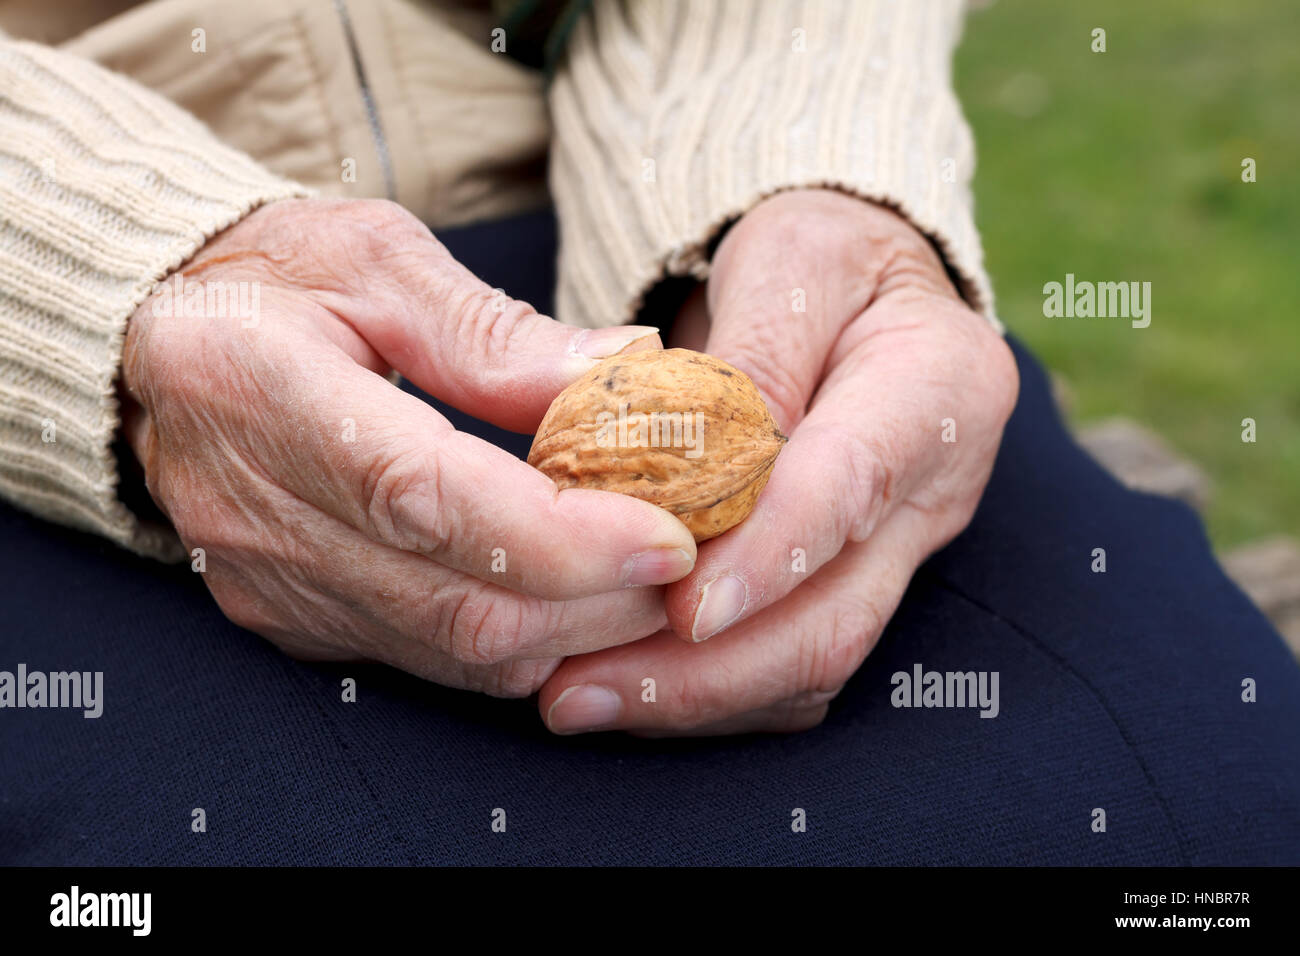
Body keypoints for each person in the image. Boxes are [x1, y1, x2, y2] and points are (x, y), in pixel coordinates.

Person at [1, 1, 1296, 865]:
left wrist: (789, 167)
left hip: (619, 251)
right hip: (71, 348)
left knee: (1223, 803)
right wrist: (101, 283)